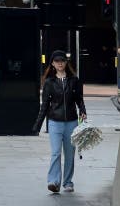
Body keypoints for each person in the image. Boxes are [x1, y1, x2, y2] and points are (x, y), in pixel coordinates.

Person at [33, 50, 86, 194]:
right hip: (54, 122)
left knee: (69, 154)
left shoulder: (74, 80)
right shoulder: (49, 82)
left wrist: (83, 111)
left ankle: (68, 182)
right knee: (56, 153)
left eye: (62, 60)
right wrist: (37, 126)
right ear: (52, 64)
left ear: (66, 62)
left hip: (71, 122)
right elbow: (44, 106)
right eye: (57, 61)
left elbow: (79, 99)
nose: (60, 63)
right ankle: (53, 182)